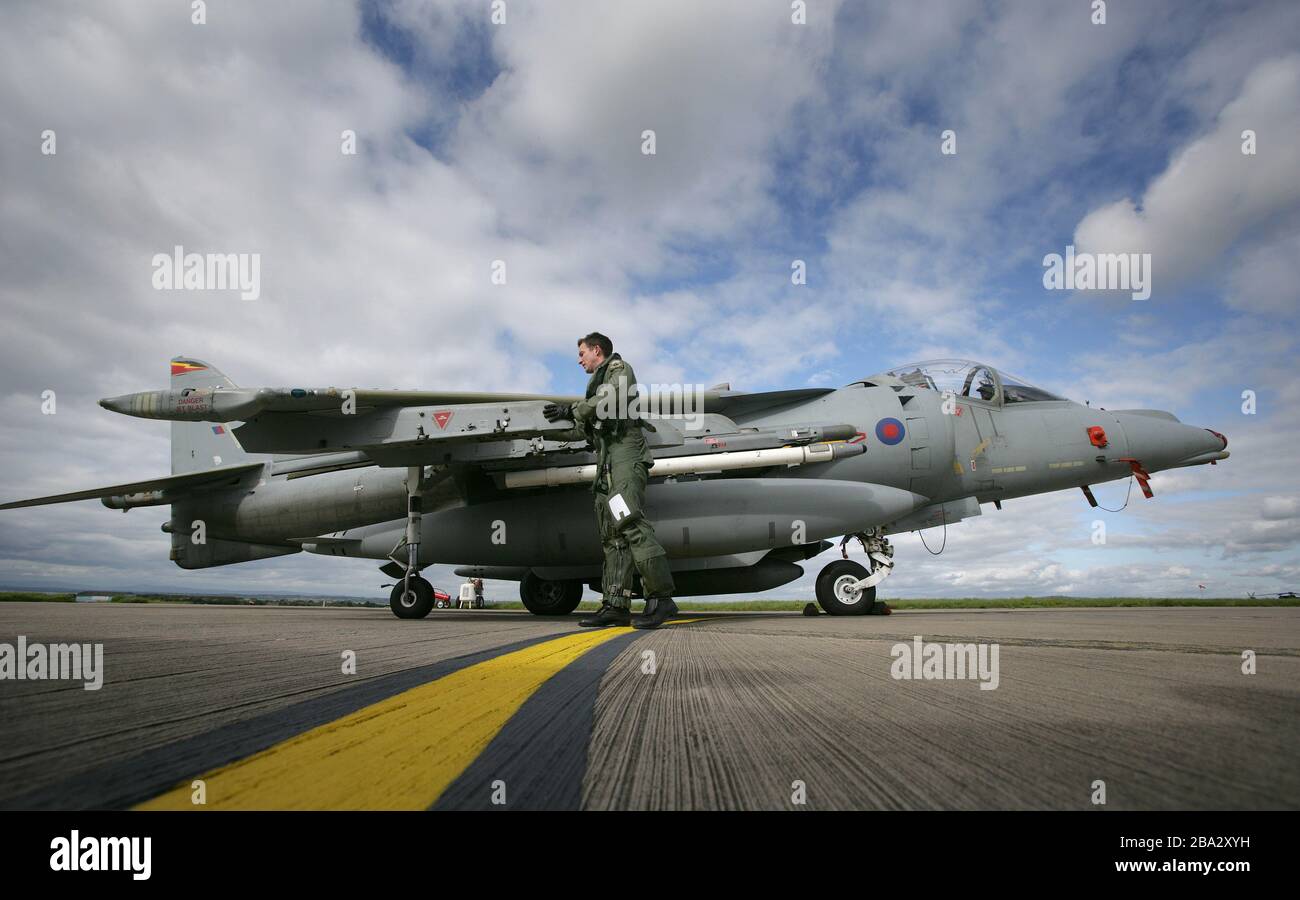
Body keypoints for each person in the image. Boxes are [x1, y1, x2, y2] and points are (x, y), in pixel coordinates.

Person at [543, 332, 678, 629]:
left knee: (629, 522)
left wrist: (574, 410)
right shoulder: (596, 387)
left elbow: (609, 399)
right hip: (607, 464)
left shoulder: (618, 371)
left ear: (596, 350)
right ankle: (616, 605)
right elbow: (583, 430)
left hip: (625, 458)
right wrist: (540, 430)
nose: (579, 360)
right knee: (612, 536)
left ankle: (661, 598)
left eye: (582, 353)